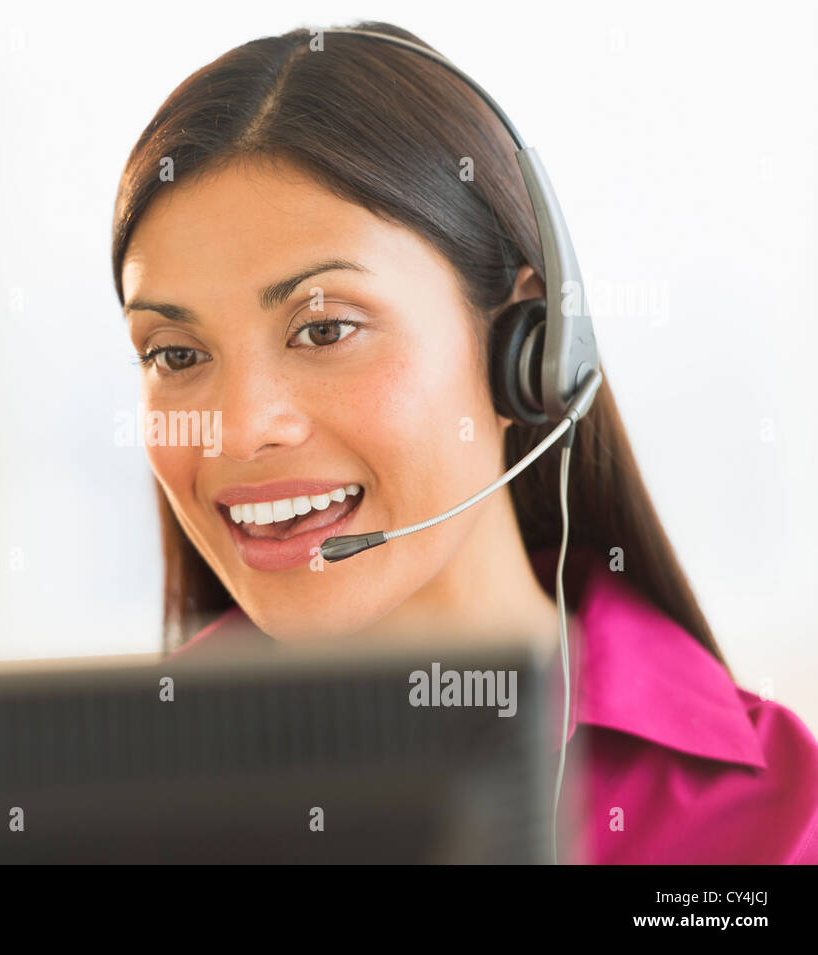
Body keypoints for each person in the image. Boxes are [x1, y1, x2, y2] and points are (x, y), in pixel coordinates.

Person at [109, 19, 818, 864]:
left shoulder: (776, 816)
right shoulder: (103, 800)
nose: (241, 428)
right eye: (177, 354)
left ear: (525, 347)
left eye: (325, 329)